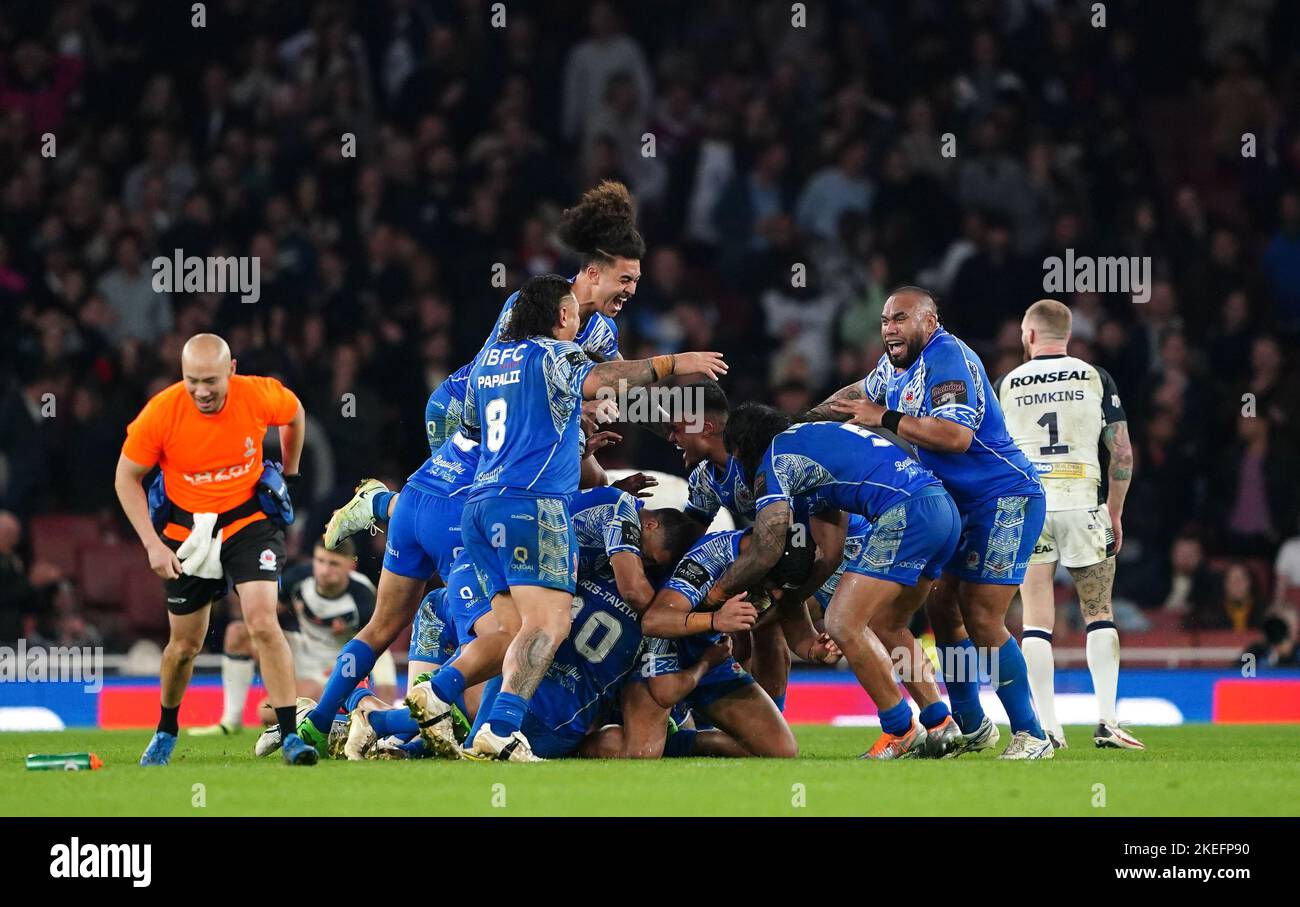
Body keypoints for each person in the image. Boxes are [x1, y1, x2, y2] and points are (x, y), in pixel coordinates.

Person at [806, 287, 1052, 759]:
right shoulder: (895, 368)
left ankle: (1032, 733)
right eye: (884, 321)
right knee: (942, 612)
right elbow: (853, 397)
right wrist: (797, 426)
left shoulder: (947, 359)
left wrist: (884, 417)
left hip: (1004, 498)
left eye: (900, 318)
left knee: (982, 617)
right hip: (958, 505)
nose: (889, 329)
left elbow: (956, 437)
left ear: (930, 322)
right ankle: (971, 724)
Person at [711, 405, 963, 758]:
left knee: (843, 623)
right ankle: (940, 722)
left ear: (741, 449)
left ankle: (900, 730)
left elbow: (768, 544)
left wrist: (719, 593)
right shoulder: (811, 448)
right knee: (888, 625)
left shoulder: (775, 457)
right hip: (941, 509)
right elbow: (830, 554)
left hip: (906, 512)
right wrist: (794, 600)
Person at [113, 333, 317, 765]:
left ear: (232, 370)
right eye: (192, 381)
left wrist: (291, 472)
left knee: (262, 622)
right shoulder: (161, 412)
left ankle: (290, 736)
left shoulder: (257, 394)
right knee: (184, 646)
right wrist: (152, 545)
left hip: (248, 522)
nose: (201, 391)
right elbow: (125, 477)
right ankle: (166, 730)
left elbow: (295, 413)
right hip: (187, 532)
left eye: (210, 381)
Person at [996, 299, 1143, 750]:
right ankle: (1108, 722)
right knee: (1098, 612)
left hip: (1030, 507)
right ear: (1068, 335)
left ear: (1029, 335)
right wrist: (1114, 510)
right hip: (1082, 500)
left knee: (1036, 620)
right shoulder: (1094, 377)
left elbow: (991, 456)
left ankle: (1048, 729)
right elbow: (1121, 451)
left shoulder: (1006, 384)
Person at [189, 536, 386, 737]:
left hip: (334, 667)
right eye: (320, 561)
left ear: (351, 566)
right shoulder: (300, 578)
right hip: (301, 650)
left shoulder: (363, 595)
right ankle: (231, 721)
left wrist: (386, 693)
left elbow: (379, 646)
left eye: (334, 564)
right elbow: (264, 616)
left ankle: (337, 718)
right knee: (238, 633)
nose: (324, 570)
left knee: (266, 712)